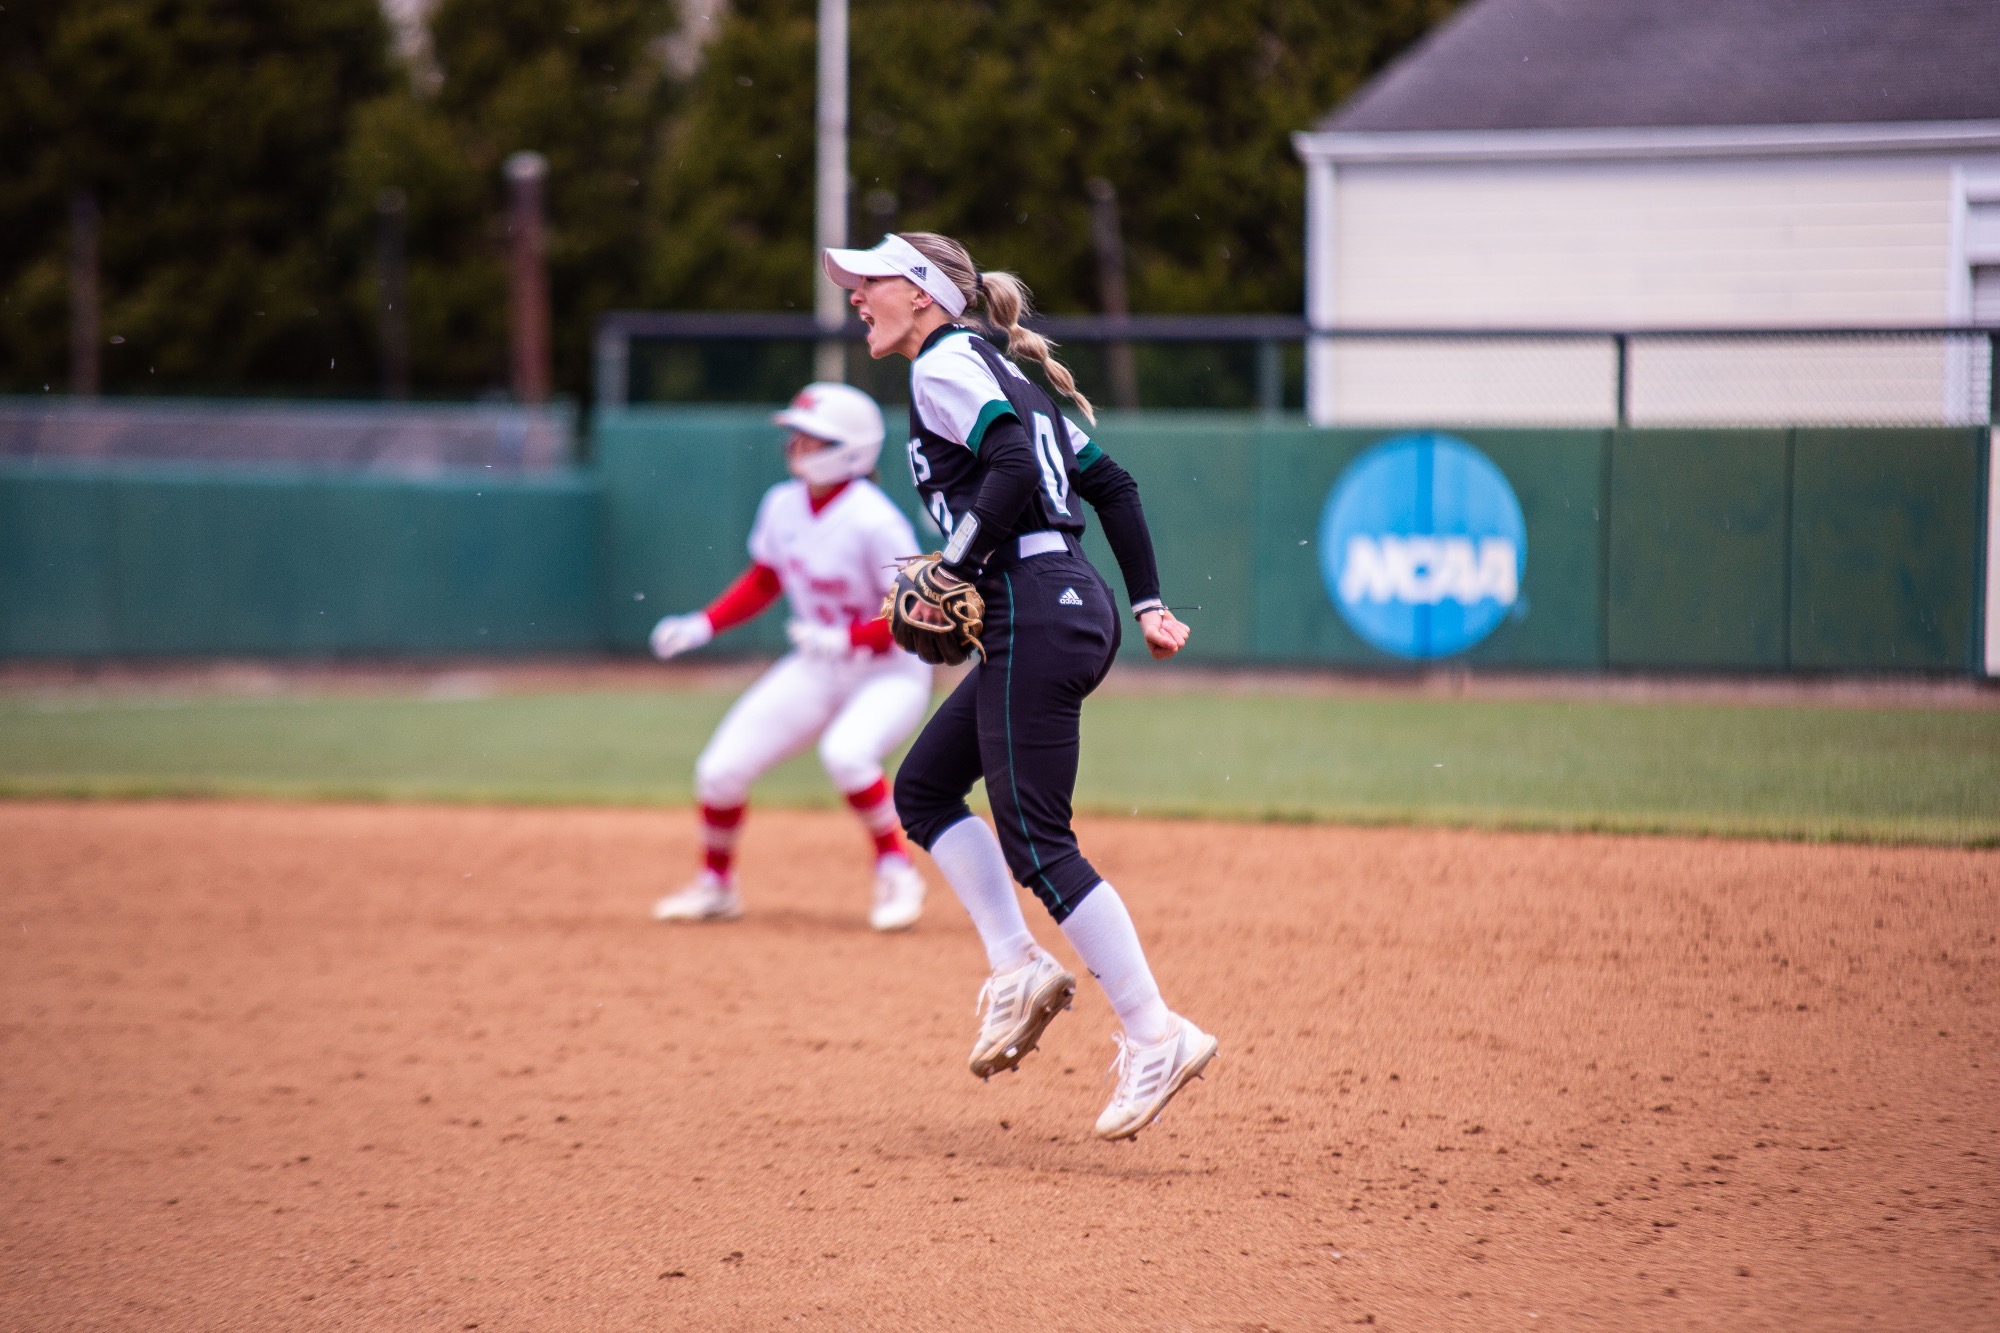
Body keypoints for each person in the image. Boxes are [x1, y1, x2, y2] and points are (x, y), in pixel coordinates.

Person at [823, 232, 1216, 1141]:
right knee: (921, 788)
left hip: (1033, 604)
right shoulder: (1012, 374)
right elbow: (1109, 483)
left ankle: (1157, 1033)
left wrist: (954, 563)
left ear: (922, 294)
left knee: (1037, 839)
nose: (855, 296)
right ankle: (1018, 966)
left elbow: (1005, 466)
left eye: (869, 281)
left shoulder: (944, 365)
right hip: (1065, 597)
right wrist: (1148, 599)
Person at [646, 382, 933, 932]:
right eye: (796, 437)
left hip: (889, 672)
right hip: (819, 665)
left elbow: (915, 613)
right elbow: (765, 578)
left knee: (848, 754)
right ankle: (716, 886)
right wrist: (702, 624)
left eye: (811, 437)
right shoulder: (782, 503)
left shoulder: (877, 520)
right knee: (719, 771)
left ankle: (898, 871)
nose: (797, 446)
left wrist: (848, 638)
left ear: (850, 448)